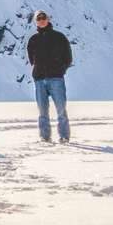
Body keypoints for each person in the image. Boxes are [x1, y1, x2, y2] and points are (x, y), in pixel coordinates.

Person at [26, 10, 73, 142]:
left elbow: (68, 57)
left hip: (56, 78)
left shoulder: (59, 37)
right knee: (42, 112)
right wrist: (37, 71)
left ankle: (64, 136)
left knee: (61, 110)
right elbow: (31, 58)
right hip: (39, 79)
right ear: (36, 22)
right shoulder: (33, 39)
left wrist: (61, 69)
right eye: (38, 19)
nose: (41, 20)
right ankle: (45, 137)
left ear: (48, 19)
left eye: (43, 18)